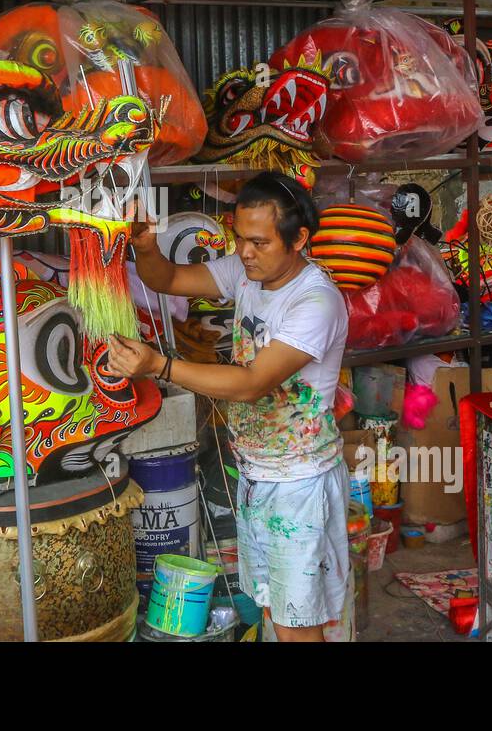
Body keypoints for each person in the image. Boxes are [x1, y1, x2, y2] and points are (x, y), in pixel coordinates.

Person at [107, 172, 350, 642]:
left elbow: (251, 384)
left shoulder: (315, 301)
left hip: (299, 484)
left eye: (259, 242)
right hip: (260, 473)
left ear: (299, 239)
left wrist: (159, 366)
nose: (244, 252)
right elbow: (169, 279)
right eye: (240, 238)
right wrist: (146, 245)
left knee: (297, 621)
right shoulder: (247, 271)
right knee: (273, 607)